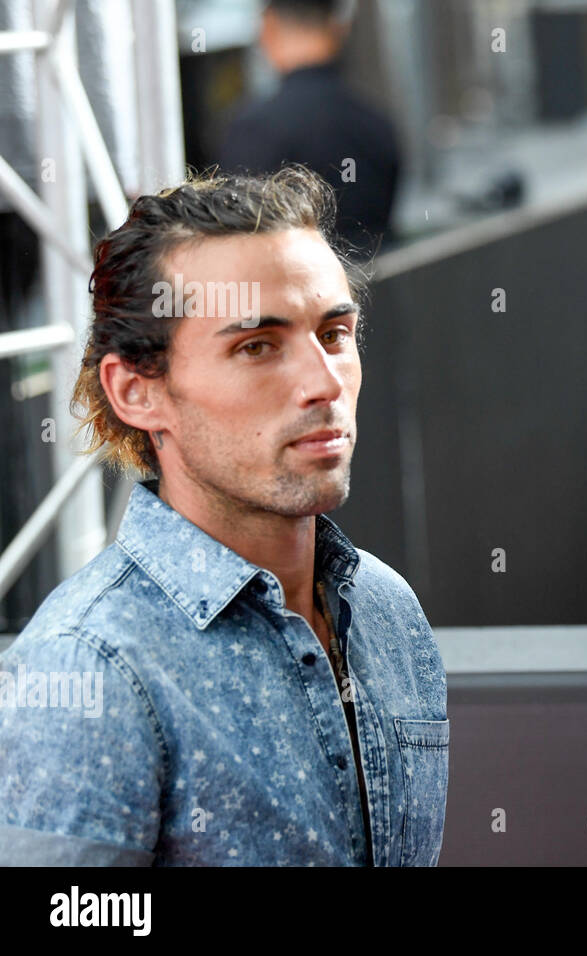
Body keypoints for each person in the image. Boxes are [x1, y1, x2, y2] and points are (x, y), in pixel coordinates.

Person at [0, 166, 448, 865]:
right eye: (257, 346)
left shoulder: (389, 614)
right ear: (137, 391)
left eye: (334, 333)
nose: (324, 383)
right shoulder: (90, 669)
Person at [218, 0, 400, 258]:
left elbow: (239, 242)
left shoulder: (255, 129)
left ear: (267, 27)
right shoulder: (376, 124)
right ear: (340, 28)